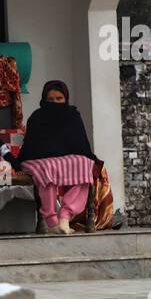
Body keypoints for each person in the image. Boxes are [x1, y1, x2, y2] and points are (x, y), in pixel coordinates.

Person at [9, 80, 101, 235]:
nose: (55, 102)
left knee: (86, 164)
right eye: (51, 99)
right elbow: (31, 145)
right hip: (38, 159)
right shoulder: (37, 117)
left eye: (59, 99)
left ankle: (65, 216)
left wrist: (91, 158)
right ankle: (51, 221)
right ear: (44, 99)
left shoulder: (73, 115)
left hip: (64, 159)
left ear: (66, 99)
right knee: (48, 169)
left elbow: (81, 142)